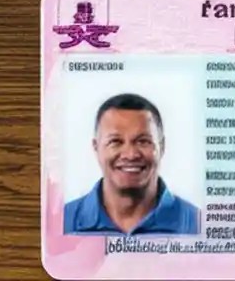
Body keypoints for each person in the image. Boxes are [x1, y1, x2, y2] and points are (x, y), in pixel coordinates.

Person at [63, 93, 199, 235]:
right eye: (115, 142)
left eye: (143, 141)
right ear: (96, 147)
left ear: (162, 147)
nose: (130, 154)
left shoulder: (198, 226)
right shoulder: (62, 223)